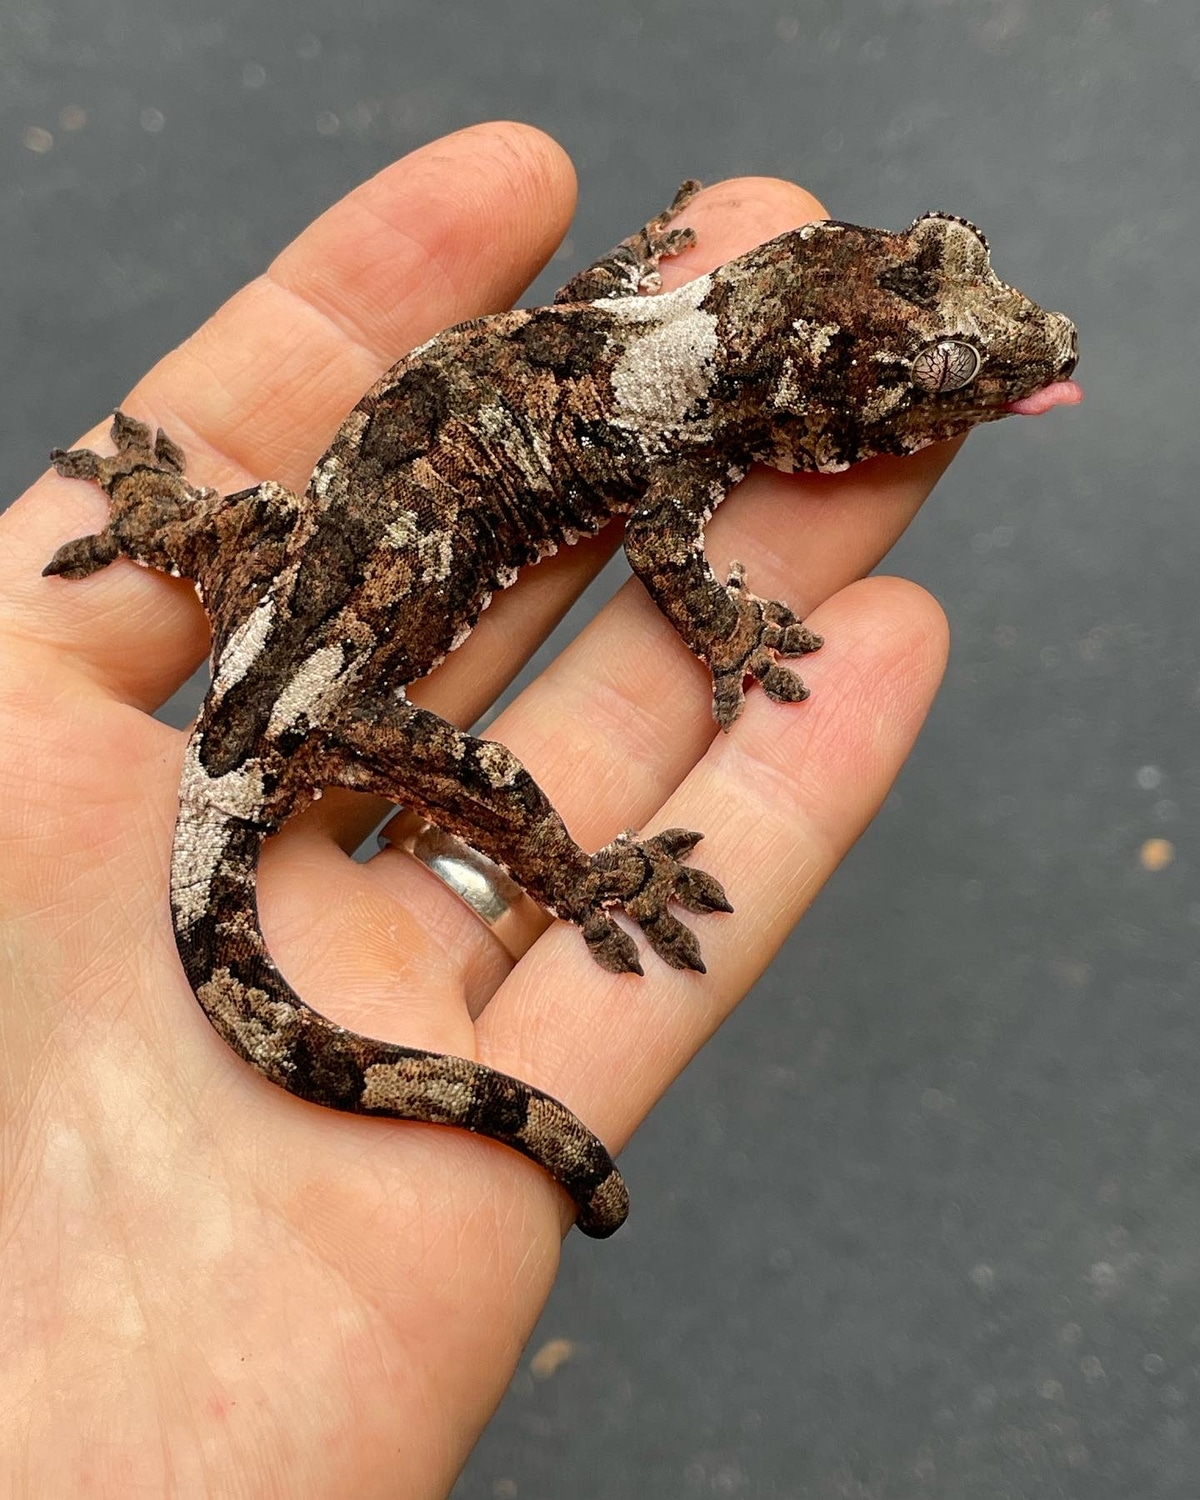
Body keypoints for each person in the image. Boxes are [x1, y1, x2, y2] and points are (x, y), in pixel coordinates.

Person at [0, 121, 951, 1494]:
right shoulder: (674, 418)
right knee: (494, 779)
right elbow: (678, 567)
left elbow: (596, 365)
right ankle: (584, 887)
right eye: (938, 381)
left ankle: (173, 523)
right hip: (312, 701)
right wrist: (733, 648)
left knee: (272, 531)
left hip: (287, 588)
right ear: (809, 399)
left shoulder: (634, 326)